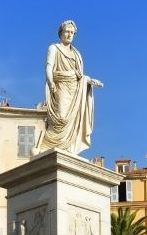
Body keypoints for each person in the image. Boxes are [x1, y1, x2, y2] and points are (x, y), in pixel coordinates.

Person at [37, 20, 104, 156]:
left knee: (72, 120)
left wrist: (90, 81)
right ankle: (47, 145)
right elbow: (49, 67)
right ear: (61, 32)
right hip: (60, 85)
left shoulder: (76, 54)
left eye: (72, 33)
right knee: (61, 118)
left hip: (75, 90)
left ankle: (68, 147)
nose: (69, 35)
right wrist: (51, 83)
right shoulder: (54, 48)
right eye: (67, 31)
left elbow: (80, 76)